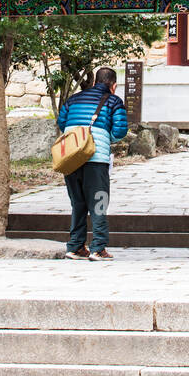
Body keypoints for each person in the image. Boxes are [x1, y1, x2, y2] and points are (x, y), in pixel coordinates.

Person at [55, 67, 128, 261]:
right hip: (96, 159)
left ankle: (76, 246)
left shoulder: (73, 99)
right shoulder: (113, 101)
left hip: (72, 157)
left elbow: (62, 123)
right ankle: (98, 248)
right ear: (114, 86)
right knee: (99, 202)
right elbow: (120, 130)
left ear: (95, 82)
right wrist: (105, 138)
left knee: (78, 203)